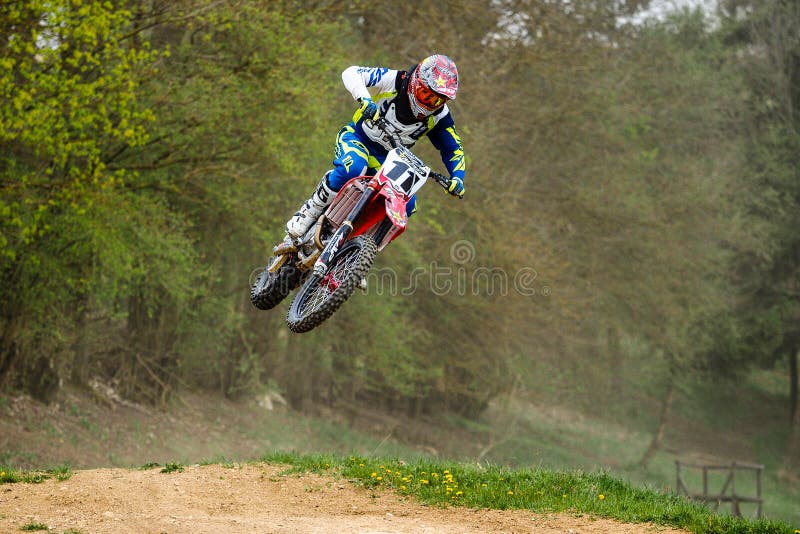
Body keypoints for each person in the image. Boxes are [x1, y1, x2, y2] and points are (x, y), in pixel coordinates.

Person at [284, 54, 466, 241]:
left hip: (388, 161)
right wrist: (365, 100)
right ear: (416, 82)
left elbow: (453, 148)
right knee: (353, 168)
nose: (429, 103)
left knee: (407, 205)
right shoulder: (394, 81)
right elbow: (351, 73)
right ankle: (309, 212)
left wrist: (457, 178)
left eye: (437, 100)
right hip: (358, 138)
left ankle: (356, 245)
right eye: (426, 94)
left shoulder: (440, 116)